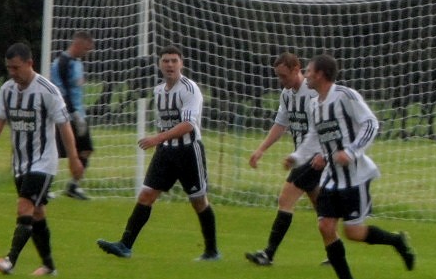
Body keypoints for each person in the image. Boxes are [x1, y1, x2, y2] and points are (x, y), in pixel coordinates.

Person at [97, 45, 220, 261]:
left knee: (198, 200)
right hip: (165, 152)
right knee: (146, 195)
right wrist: (160, 140)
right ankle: (125, 245)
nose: (170, 65)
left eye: (174, 60)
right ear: (160, 64)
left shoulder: (189, 89)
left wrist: (157, 139)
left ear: (181, 63)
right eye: (166, 61)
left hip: (188, 152)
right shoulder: (159, 91)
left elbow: (189, 124)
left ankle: (211, 251)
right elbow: (165, 123)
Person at [305, 53, 415, 279]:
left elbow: (371, 123)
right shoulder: (314, 104)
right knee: (325, 226)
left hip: (355, 176)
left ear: (321, 74)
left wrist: (352, 152)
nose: (306, 74)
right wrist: (320, 157)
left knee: (353, 232)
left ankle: (397, 241)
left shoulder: (345, 96)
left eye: (308, 70)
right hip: (331, 178)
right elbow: (323, 138)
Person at [0, 42, 83, 276]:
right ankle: (49, 266)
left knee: (24, 205)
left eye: (16, 68)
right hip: (20, 162)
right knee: (36, 213)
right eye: (9, 68)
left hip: (44, 162)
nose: (12, 73)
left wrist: (73, 158)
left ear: (29, 63)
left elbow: (65, 126)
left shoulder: (47, 90)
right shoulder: (7, 90)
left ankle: (9, 261)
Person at [244, 52, 323, 266]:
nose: (281, 81)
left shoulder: (313, 94)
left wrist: (321, 156)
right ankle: (336, 254)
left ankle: (268, 254)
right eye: (278, 76)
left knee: (285, 199)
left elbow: (324, 129)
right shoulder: (287, 94)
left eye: (284, 76)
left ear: (297, 70)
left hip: (315, 157)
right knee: (323, 209)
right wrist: (261, 150)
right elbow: (281, 124)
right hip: (302, 157)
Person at [50, 29, 95, 200]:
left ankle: (73, 186)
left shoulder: (78, 62)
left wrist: (80, 114)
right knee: (55, 152)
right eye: (86, 49)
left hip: (79, 116)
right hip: (65, 117)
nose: (87, 53)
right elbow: (59, 91)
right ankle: (44, 185)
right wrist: (73, 112)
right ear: (77, 44)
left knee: (86, 149)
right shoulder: (60, 63)